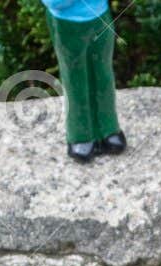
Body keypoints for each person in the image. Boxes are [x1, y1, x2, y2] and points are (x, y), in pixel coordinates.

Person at [40, 0, 126, 163]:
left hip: (100, 18)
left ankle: (108, 128)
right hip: (68, 24)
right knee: (75, 80)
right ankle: (80, 135)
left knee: (104, 75)